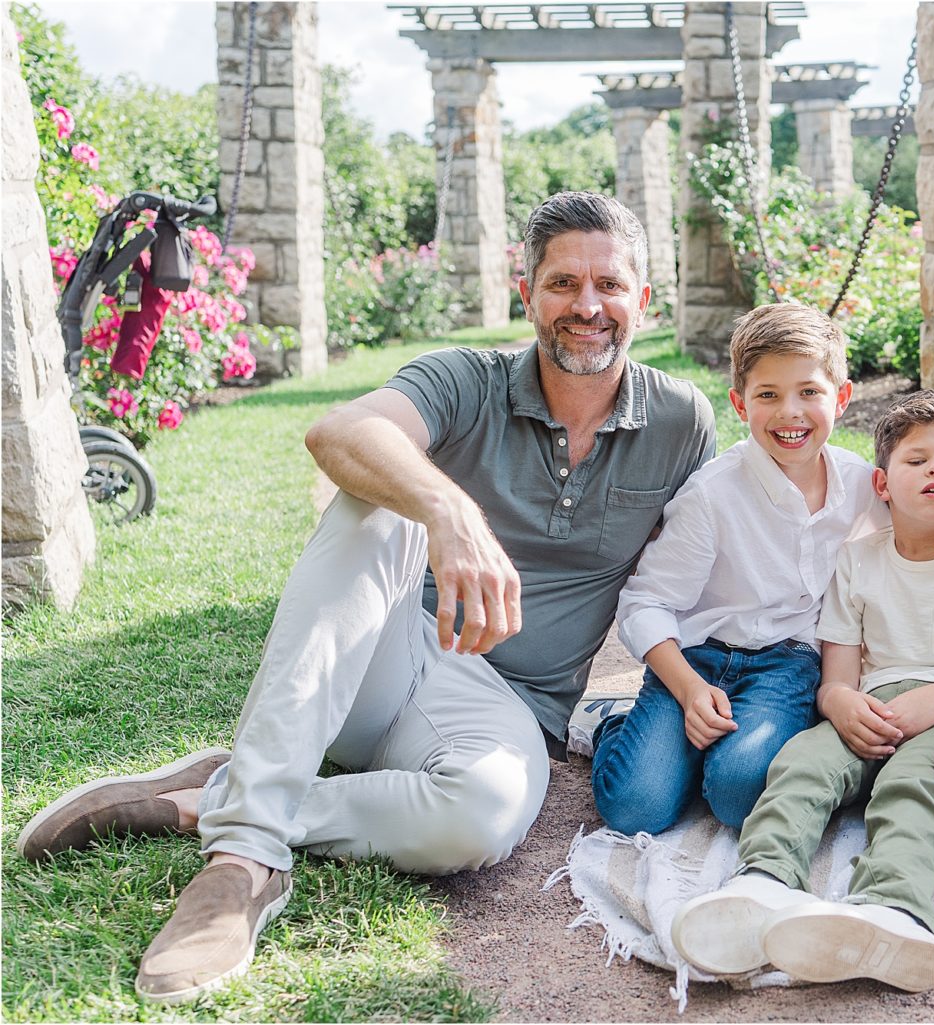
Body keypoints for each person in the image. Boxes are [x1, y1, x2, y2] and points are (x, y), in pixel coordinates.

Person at [16, 192, 716, 1004]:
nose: (586, 306)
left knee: (480, 820)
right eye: (562, 283)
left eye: (609, 285)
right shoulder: (467, 378)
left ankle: (217, 791)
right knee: (372, 499)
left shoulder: (680, 421)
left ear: (643, 299)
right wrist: (448, 509)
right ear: (525, 293)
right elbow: (340, 432)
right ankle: (243, 858)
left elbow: (709, 554)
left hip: (507, 712)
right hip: (377, 658)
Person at [670, 391, 934, 994]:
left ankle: (892, 910)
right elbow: (836, 680)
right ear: (881, 482)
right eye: (918, 460)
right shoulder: (857, 563)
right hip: (873, 704)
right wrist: (842, 706)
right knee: (802, 761)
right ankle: (763, 884)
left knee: (912, 782)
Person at [589, 302, 887, 834]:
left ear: (841, 399)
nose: (790, 413)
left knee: (739, 793)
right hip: (698, 658)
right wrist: (685, 688)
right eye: (767, 395)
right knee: (635, 808)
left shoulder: (863, 486)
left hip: (787, 665)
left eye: (810, 392)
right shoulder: (712, 494)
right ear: (739, 404)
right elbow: (647, 601)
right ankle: (618, 726)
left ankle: (706, 755)